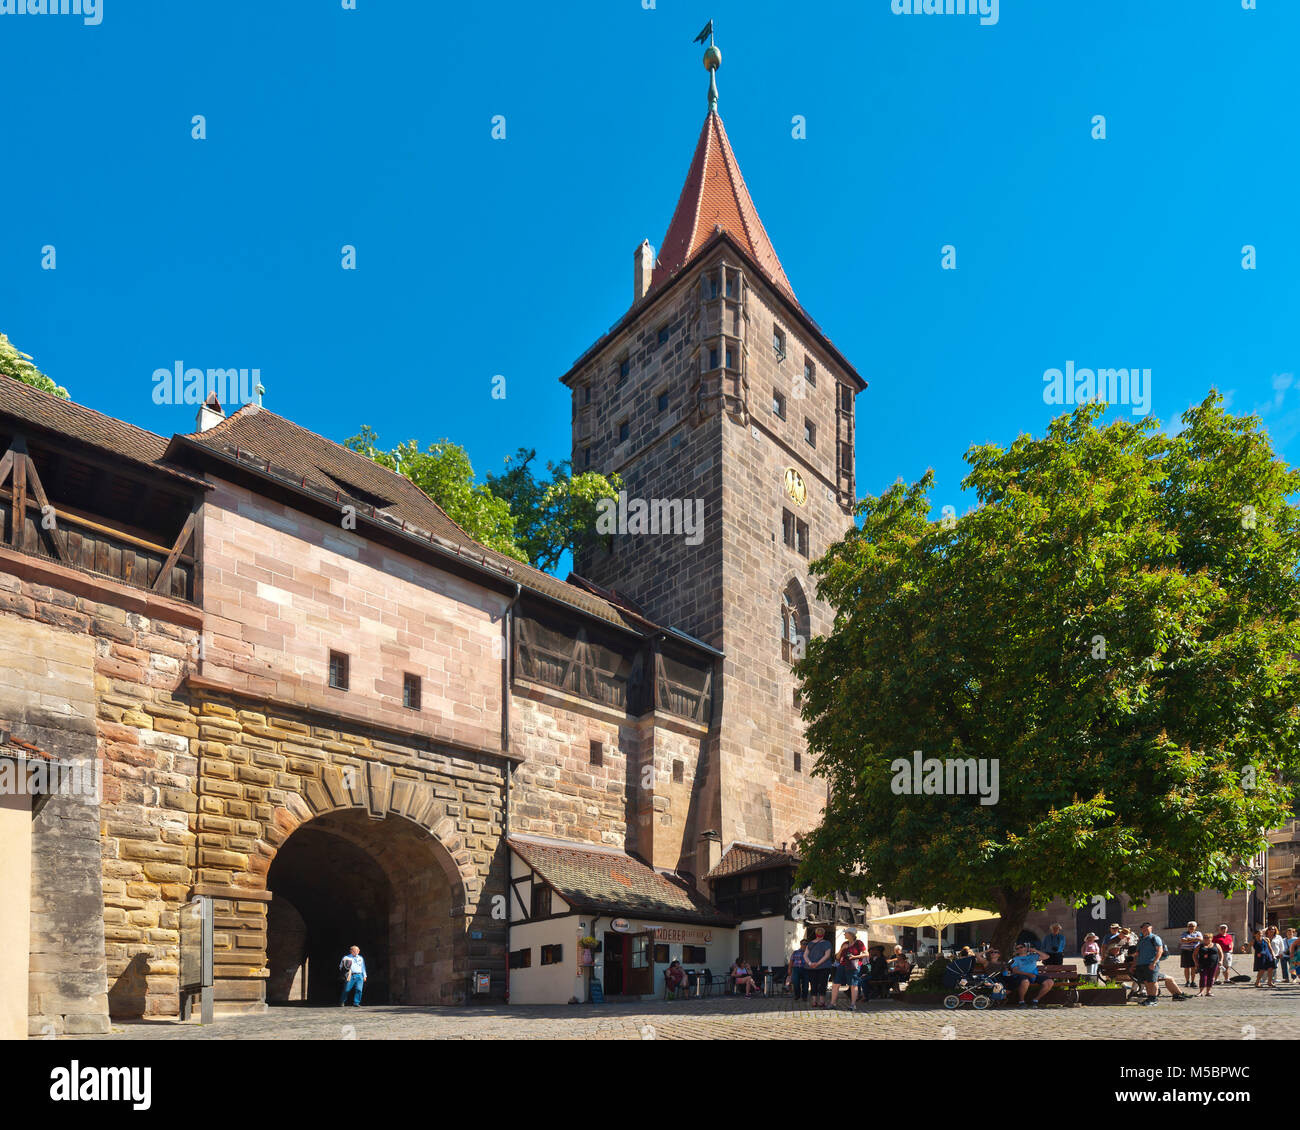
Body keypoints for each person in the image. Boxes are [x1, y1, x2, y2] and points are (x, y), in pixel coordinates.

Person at [1134, 922, 1190, 1005]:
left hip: (1151, 963)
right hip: (1141, 964)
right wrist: (1134, 964)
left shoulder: (1154, 938)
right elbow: (1137, 953)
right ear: (1141, 929)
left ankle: (1153, 999)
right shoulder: (1141, 940)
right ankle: (1150, 998)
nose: (1145, 929)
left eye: (1147, 927)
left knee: (1152, 981)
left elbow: (1160, 950)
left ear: (1151, 928)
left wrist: (1154, 962)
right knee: (1147, 981)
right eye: (1143, 928)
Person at [830, 928, 867, 1011]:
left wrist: (854, 957)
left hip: (853, 966)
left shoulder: (859, 943)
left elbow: (866, 954)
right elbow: (837, 957)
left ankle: (853, 1005)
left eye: (845, 933)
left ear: (850, 934)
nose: (844, 934)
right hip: (842, 965)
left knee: (853, 985)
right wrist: (842, 949)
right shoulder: (845, 943)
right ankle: (832, 1003)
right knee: (836, 984)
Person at [804, 927, 833, 1009]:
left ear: (815, 934)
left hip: (811, 967)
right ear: (824, 934)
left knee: (813, 984)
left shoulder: (810, 943)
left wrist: (810, 963)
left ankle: (814, 1002)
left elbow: (805, 955)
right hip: (824, 967)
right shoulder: (827, 943)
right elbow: (827, 955)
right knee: (823, 984)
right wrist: (818, 963)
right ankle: (822, 1002)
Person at [1178, 921, 1204, 988]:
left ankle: (1193, 981)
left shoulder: (1198, 933)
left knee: (1193, 967)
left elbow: (1200, 939)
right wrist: (1195, 939)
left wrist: (1189, 939)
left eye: (1192, 926)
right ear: (1187, 927)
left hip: (1194, 952)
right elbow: (1183, 940)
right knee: (1186, 968)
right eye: (1189, 926)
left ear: (1195, 927)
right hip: (1185, 952)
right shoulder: (1184, 933)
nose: (1191, 927)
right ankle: (1187, 981)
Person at [786, 938, 809, 1003]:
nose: (805, 945)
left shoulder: (809, 953)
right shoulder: (795, 952)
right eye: (803, 944)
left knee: (805, 984)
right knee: (795, 982)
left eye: (806, 944)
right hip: (796, 969)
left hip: (806, 969)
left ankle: (804, 996)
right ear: (800, 944)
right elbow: (791, 961)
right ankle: (797, 995)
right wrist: (789, 969)